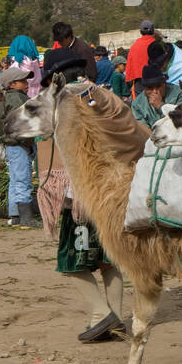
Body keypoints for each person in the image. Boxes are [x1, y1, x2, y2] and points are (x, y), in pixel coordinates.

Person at [36, 47, 127, 343]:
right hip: (111, 194)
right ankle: (111, 318)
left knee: (71, 263)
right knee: (108, 260)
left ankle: (103, 313)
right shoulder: (104, 97)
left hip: (79, 197)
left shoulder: (62, 106)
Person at [0, 66, 39, 229]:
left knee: (15, 180)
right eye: (22, 81)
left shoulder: (10, 97)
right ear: (12, 84)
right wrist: (27, 140)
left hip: (12, 145)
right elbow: (19, 123)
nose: (26, 83)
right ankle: (26, 218)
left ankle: (15, 214)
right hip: (19, 144)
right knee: (23, 179)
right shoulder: (16, 98)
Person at [131, 64, 182, 129]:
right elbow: (143, 131)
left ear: (164, 83)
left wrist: (161, 106)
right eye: (150, 88)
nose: (155, 91)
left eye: (158, 86)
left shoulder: (179, 93)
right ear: (144, 88)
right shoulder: (137, 105)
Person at [125, 19, 157, 97]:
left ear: (140, 32)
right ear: (153, 31)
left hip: (139, 81)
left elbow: (129, 67)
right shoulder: (157, 44)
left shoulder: (134, 46)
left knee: (140, 105)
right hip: (155, 80)